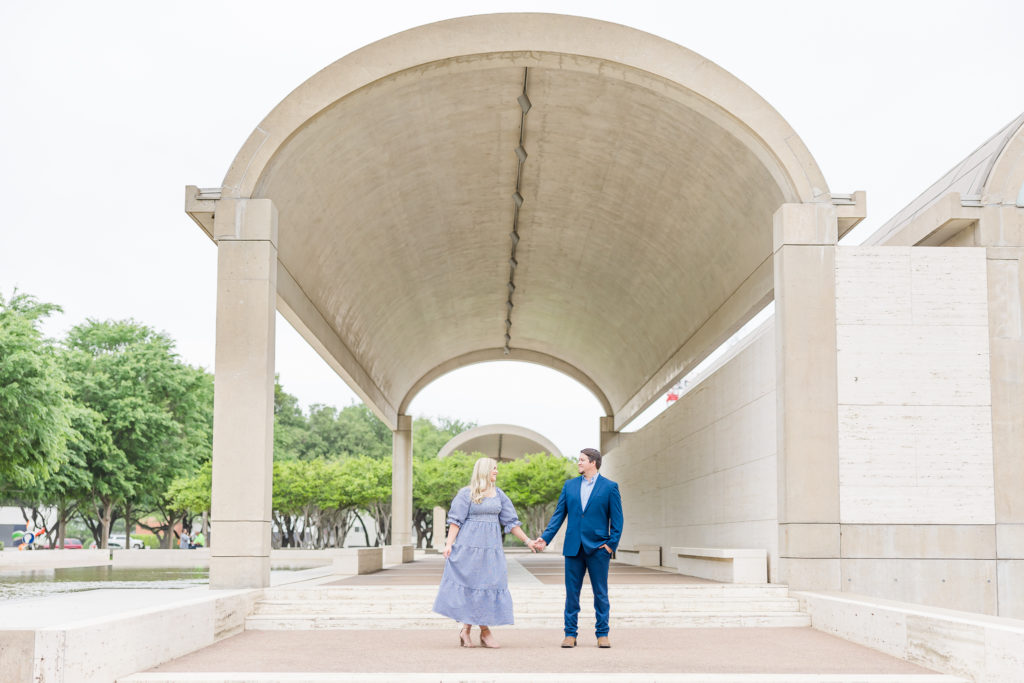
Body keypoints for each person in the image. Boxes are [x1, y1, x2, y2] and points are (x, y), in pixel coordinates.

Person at [433, 456, 539, 648]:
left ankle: (466, 630)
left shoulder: (499, 495)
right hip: (468, 548)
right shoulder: (466, 494)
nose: (496, 472)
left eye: (497, 469)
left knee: (487, 586)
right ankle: (484, 631)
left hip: (492, 550)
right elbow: (455, 521)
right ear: (484, 471)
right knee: (472, 586)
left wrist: (528, 541)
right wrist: (449, 544)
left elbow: (511, 522)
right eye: (493, 469)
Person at [535, 447, 623, 648]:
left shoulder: (610, 487)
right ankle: (570, 634)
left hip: (598, 549)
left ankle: (602, 634)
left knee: (600, 593)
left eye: (582, 460)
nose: (579, 463)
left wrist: (610, 546)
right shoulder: (570, 486)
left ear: (593, 462)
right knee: (571, 593)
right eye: (579, 460)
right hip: (573, 548)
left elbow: (617, 520)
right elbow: (559, 515)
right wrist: (545, 538)